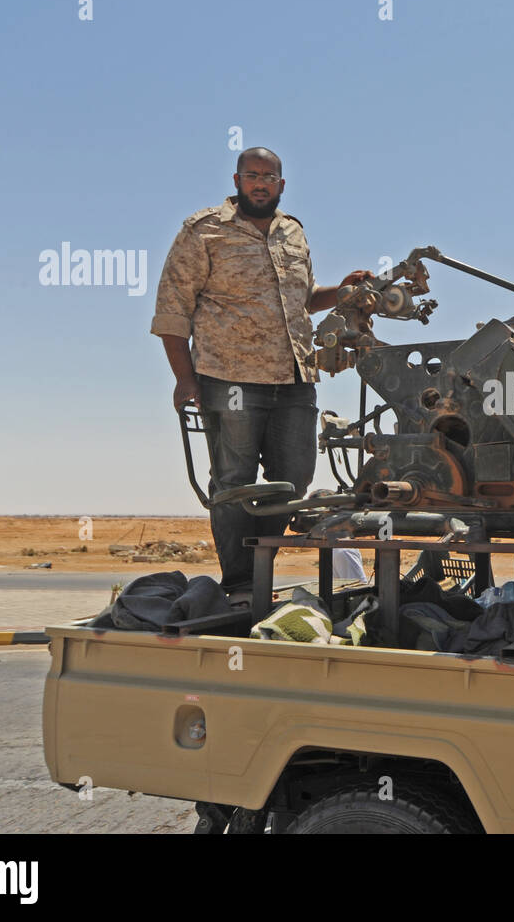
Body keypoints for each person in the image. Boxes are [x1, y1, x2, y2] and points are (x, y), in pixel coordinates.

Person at [151, 147, 370, 601]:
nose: (260, 183)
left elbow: (303, 299)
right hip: (228, 379)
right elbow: (173, 310)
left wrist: (344, 291)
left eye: (269, 177)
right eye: (252, 175)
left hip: (293, 379)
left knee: (294, 478)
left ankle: (257, 567)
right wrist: (184, 377)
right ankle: (238, 584)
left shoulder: (293, 232)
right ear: (236, 180)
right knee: (235, 482)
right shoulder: (203, 230)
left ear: (282, 185)